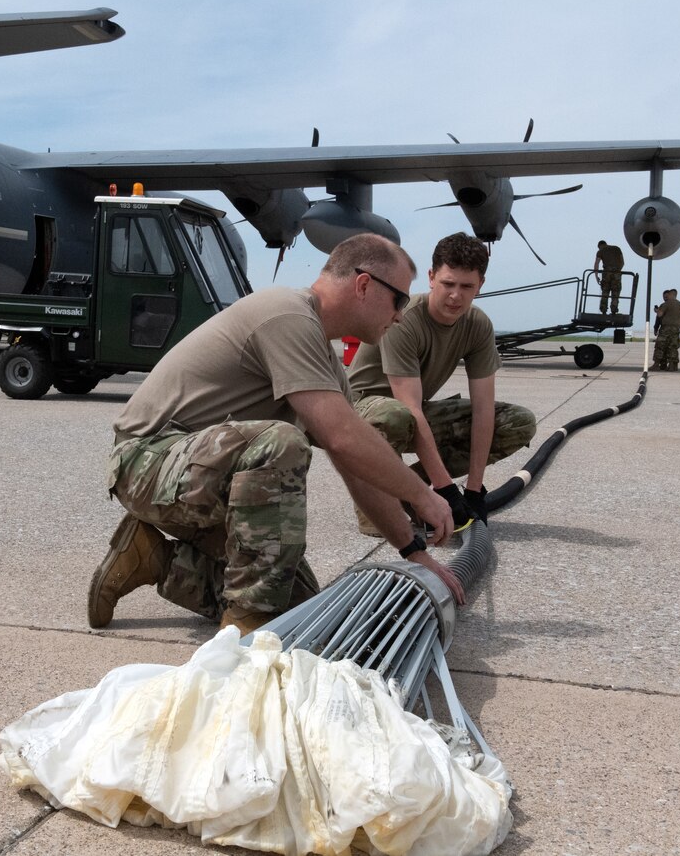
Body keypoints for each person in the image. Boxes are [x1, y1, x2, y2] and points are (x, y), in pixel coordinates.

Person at [87, 233, 465, 638]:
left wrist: (413, 551)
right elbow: (342, 437)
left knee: (299, 603)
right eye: (400, 301)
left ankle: (152, 558)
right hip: (145, 463)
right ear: (364, 285)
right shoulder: (287, 315)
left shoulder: (320, 350)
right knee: (282, 445)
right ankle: (249, 624)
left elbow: (354, 465)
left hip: (198, 477)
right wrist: (424, 495)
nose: (401, 315)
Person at [347, 233, 537, 530]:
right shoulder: (404, 319)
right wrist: (446, 489)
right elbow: (410, 409)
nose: (456, 296)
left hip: (409, 415)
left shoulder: (477, 325)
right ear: (432, 277)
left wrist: (474, 490)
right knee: (394, 415)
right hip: (360, 417)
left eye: (467, 287)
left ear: (480, 286)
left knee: (517, 422)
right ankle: (378, 503)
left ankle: (409, 491)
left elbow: (483, 409)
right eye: (448, 284)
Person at [653, 288, 680, 371]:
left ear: (670, 294)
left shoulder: (666, 304)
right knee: (673, 347)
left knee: (660, 346)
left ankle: (656, 364)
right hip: (676, 328)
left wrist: (656, 310)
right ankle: (672, 365)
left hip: (666, 328)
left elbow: (659, 315)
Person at [594, 239, 626, 315]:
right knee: (615, 292)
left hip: (606, 274)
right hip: (617, 273)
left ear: (600, 246)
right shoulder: (617, 248)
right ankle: (614, 310)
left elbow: (596, 264)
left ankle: (603, 310)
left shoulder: (601, 251)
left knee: (605, 292)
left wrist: (596, 276)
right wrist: (617, 271)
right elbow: (622, 262)